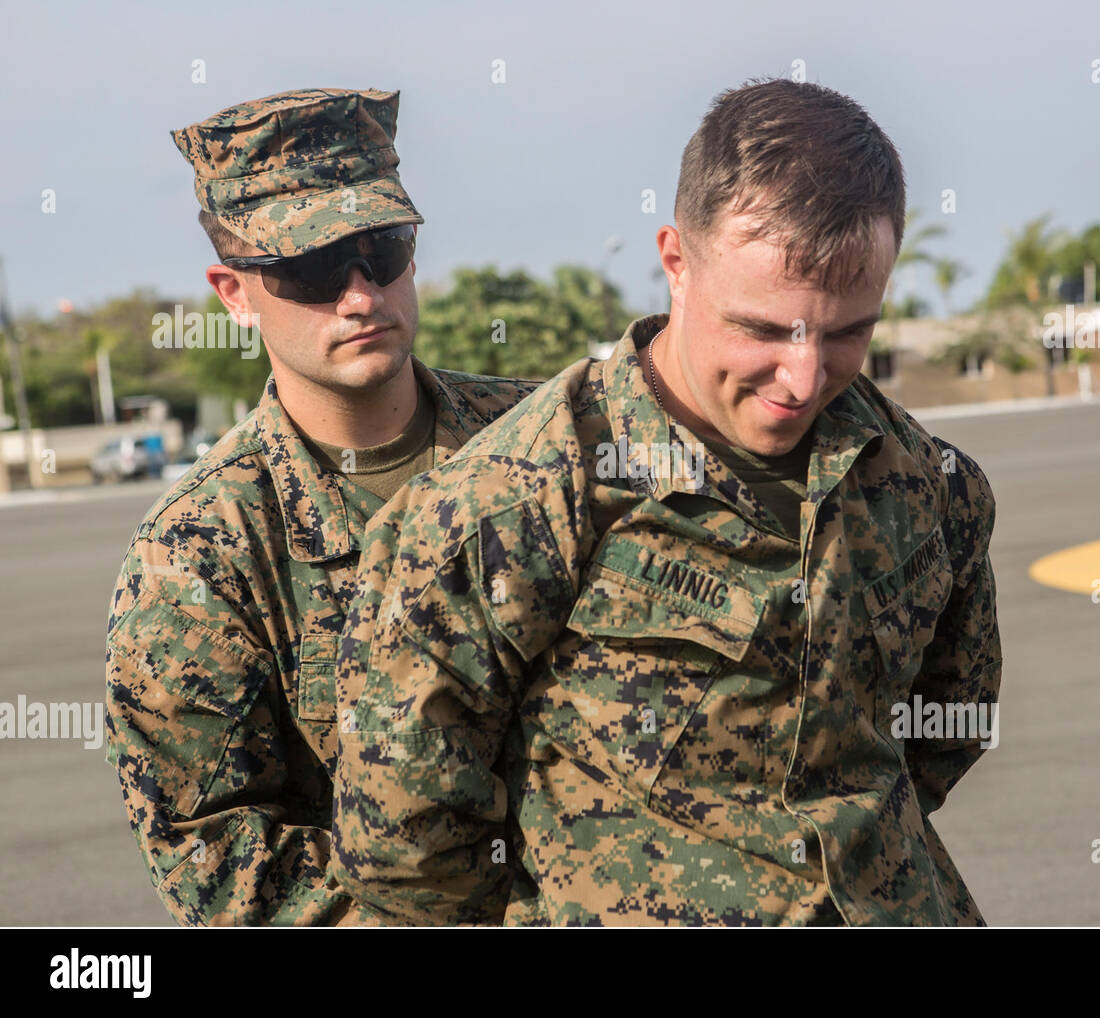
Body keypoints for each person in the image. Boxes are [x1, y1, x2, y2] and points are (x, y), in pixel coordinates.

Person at [333, 78, 1001, 925]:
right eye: (761, 330)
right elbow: (402, 837)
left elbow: (946, 727)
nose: (802, 380)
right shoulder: (516, 497)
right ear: (676, 263)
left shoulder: (930, 487)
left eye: (846, 333)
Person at [104, 88, 536, 925]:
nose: (359, 295)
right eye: (307, 269)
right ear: (233, 292)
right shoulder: (198, 554)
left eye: (383, 249)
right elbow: (224, 864)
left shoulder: (542, 446)